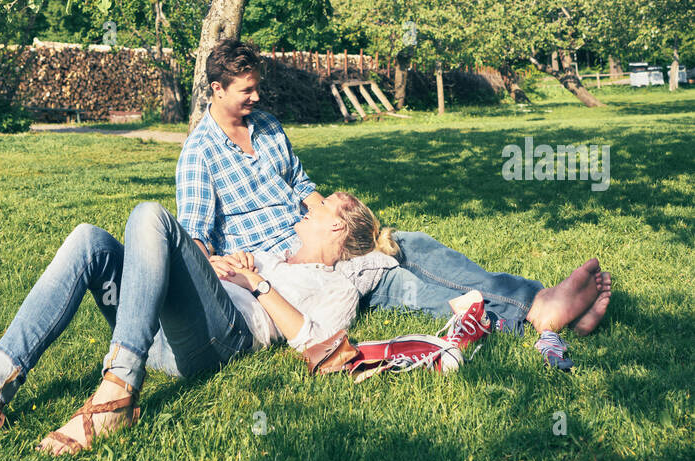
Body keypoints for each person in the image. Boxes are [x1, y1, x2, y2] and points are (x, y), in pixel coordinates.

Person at [0, 191, 400, 459]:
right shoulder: (278, 256)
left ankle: (117, 392)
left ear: (338, 224)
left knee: (149, 215)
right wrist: (224, 264)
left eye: (323, 204)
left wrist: (259, 286)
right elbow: (216, 273)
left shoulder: (340, 285)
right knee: (89, 239)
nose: (309, 205)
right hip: (164, 326)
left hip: (220, 339)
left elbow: (317, 346)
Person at [176, 39, 612, 338]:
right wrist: (230, 269)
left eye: (257, 88)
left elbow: (300, 183)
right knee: (399, 284)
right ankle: (534, 313)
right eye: (246, 91)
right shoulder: (200, 154)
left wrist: (335, 222)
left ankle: (533, 296)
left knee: (410, 244)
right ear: (216, 89)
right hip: (285, 265)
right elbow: (193, 236)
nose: (256, 98)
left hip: (316, 235)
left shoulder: (267, 126)